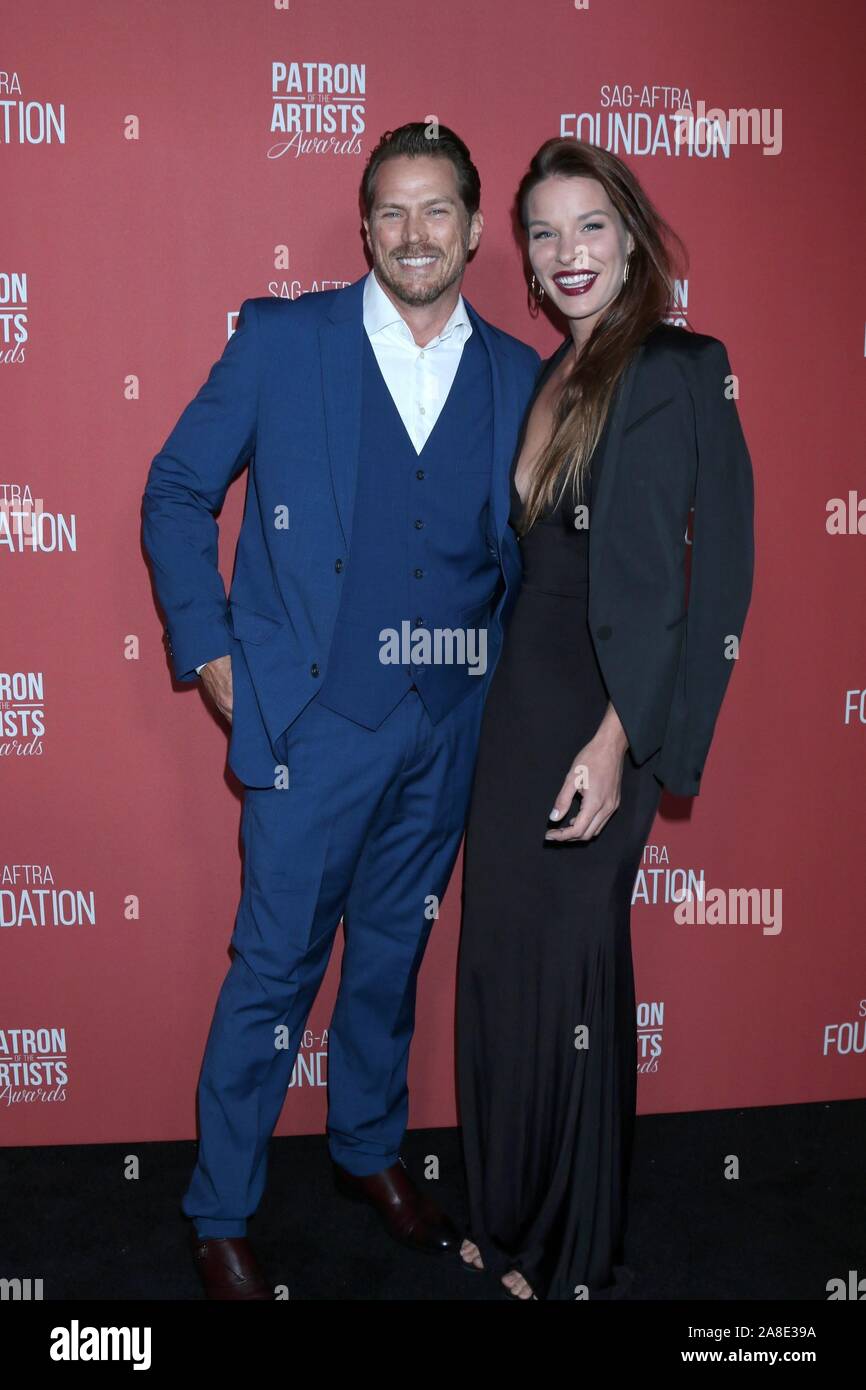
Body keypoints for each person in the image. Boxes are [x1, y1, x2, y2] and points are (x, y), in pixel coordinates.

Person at [141, 122, 541, 1299]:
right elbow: (174, 492)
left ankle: (367, 1147)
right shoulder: (281, 341)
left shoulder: (521, 375)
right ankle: (219, 1205)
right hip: (312, 724)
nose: (413, 234)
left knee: (393, 951)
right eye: (391, 212)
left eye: (437, 212)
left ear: (474, 229)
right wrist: (212, 655)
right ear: (364, 224)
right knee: (274, 969)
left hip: (447, 718)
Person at [456, 137, 755, 1301]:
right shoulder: (545, 374)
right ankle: (505, 1208)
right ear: (522, 258)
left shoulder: (681, 365)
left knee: (573, 969)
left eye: (589, 226)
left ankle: (574, 1249)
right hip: (517, 698)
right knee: (499, 963)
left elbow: (714, 573)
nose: (566, 253)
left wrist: (622, 738)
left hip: (600, 714)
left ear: (629, 236)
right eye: (543, 232)